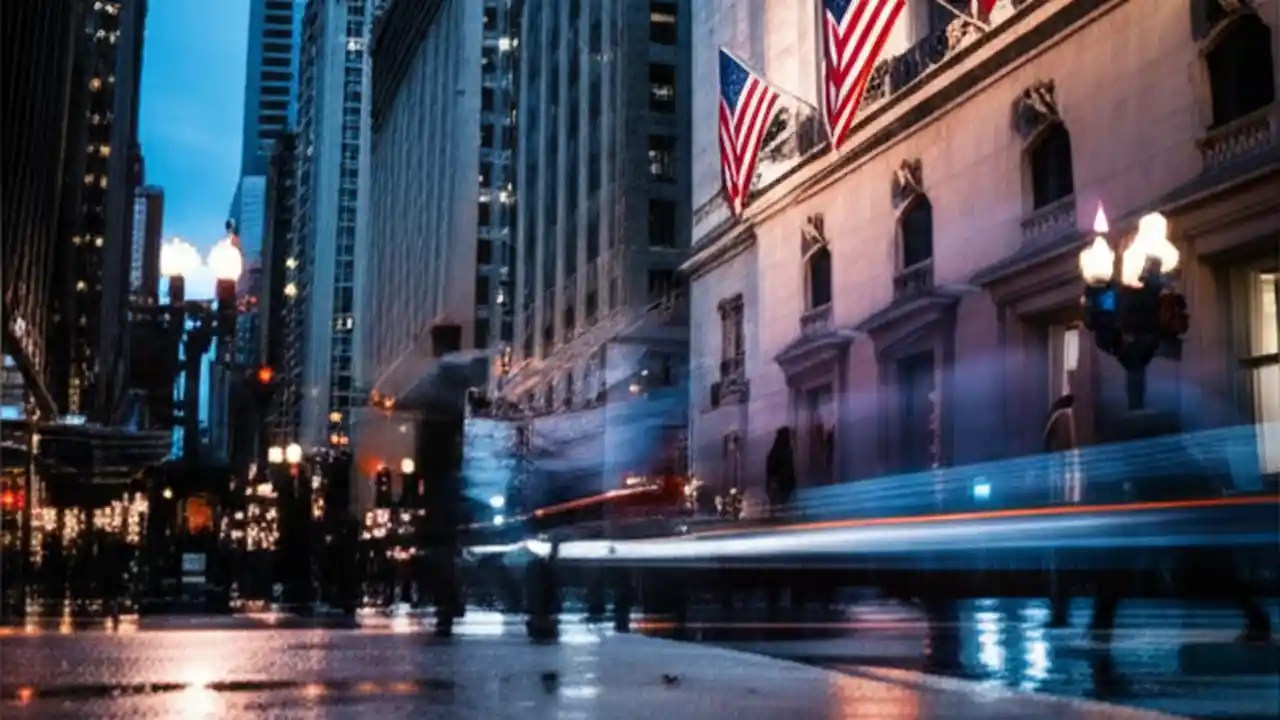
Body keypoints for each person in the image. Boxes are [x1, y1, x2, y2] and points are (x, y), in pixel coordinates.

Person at [1042, 394, 1077, 628]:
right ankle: (1060, 611)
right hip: (1063, 505)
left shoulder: (1060, 420)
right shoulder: (1065, 420)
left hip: (1061, 505)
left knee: (1059, 565)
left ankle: (1059, 612)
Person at [765, 428, 797, 517]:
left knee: (778, 507)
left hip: (781, 483)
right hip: (782, 484)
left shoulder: (777, 450)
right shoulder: (784, 451)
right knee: (781, 506)